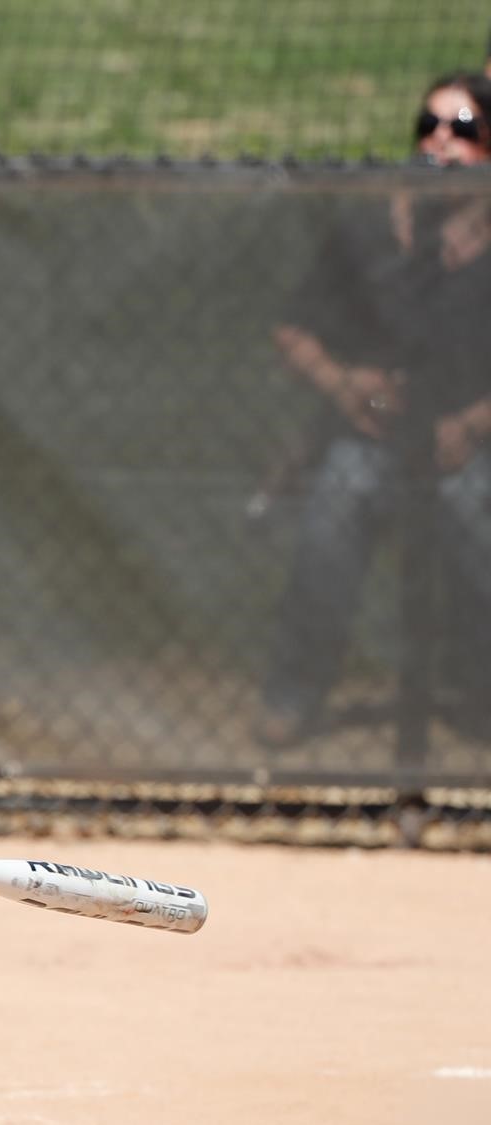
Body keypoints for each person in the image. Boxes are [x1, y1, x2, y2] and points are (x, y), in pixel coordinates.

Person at [254, 72, 491, 748]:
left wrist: (470, 425)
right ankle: (293, 696)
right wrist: (344, 383)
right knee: (333, 513)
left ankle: (481, 700)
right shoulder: (368, 227)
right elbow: (293, 330)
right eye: (429, 124)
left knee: (478, 531)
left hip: (465, 444)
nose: (440, 140)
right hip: (377, 435)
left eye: (465, 129)